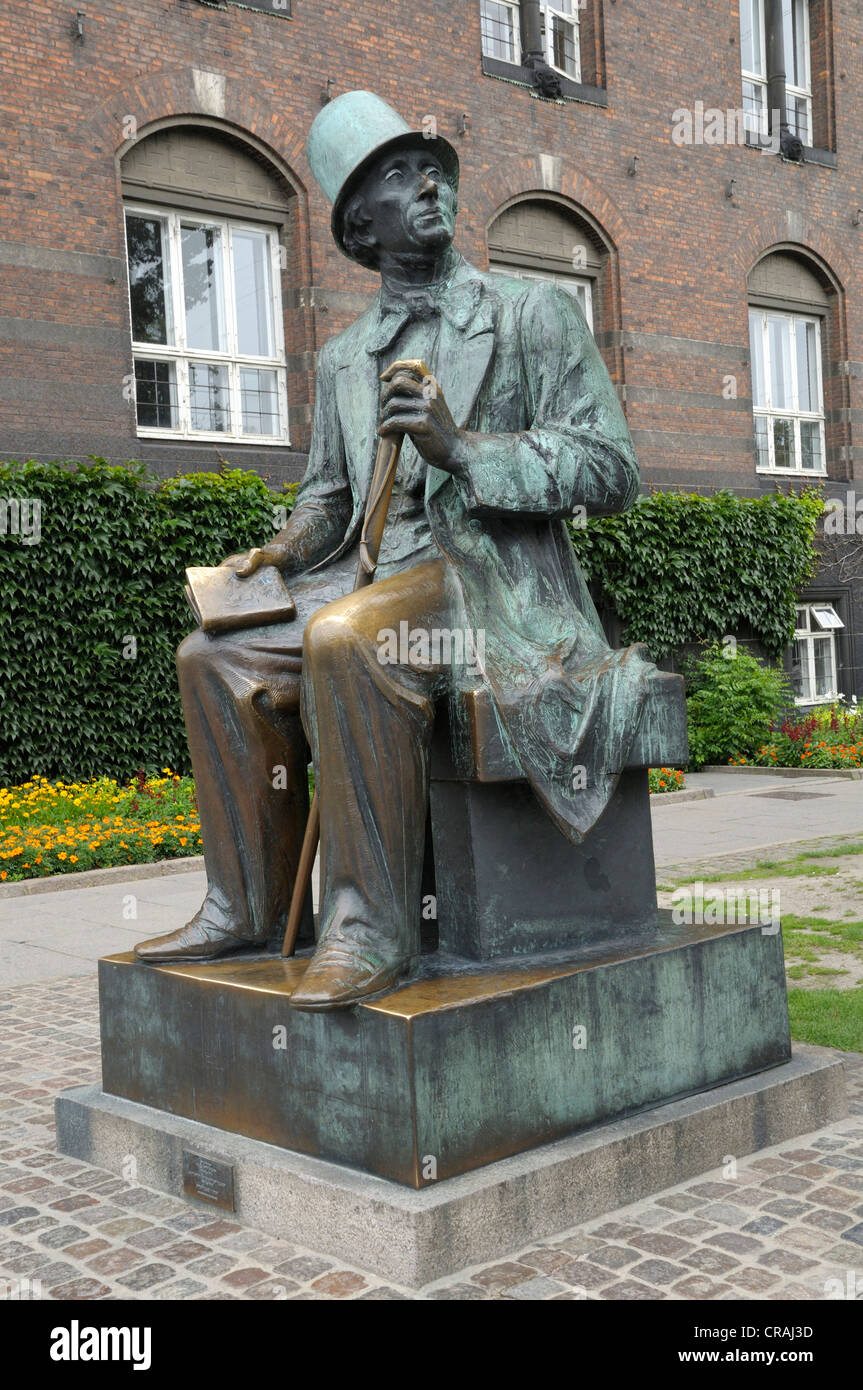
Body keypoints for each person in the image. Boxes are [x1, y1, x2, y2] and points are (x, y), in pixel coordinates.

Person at [134, 91, 654, 1009]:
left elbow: (609, 470)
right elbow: (327, 501)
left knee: (347, 636)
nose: (425, 185)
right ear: (358, 225)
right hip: (368, 576)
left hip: (488, 584)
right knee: (209, 655)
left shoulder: (530, 315)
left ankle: (370, 926)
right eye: (393, 175)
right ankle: (245, 908)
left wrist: (463, 451)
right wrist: (281, 554)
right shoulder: (343, 359)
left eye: (430, 169)